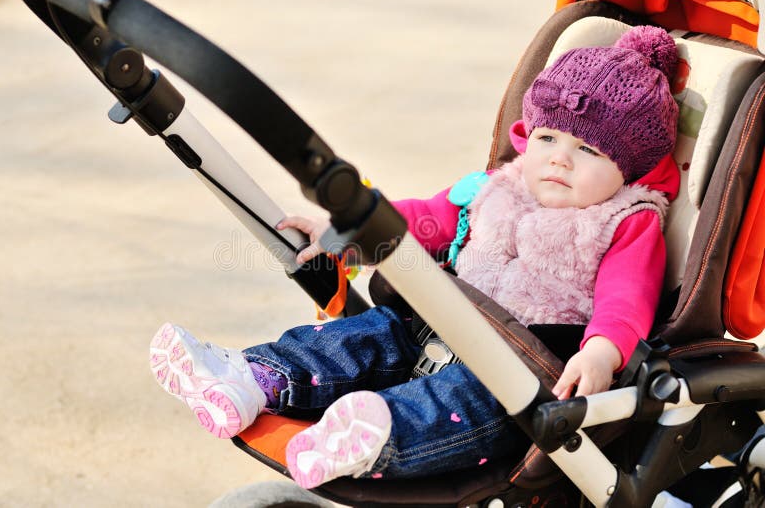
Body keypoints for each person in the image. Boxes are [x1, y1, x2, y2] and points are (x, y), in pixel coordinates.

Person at [149, 25, 681, 488]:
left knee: (457, 405)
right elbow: (423, 220)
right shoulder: (495, 185)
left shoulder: (625, 221)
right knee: (361, 336)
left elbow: (625, 301)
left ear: (627, 167)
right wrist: (347, 233)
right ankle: (251, 379)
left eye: (587, 149)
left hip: (517, 371)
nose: (559, 159)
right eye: (547, 136)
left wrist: (601, 354)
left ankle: (371, 436)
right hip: (432, 326)